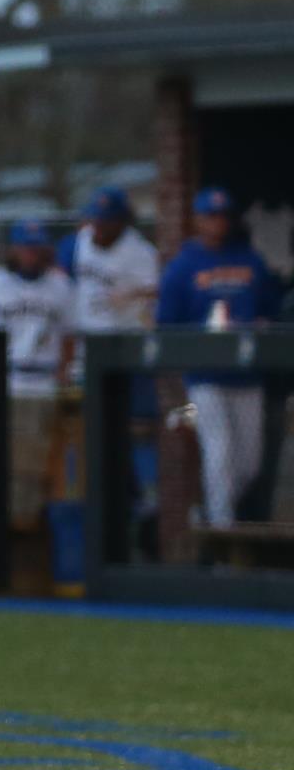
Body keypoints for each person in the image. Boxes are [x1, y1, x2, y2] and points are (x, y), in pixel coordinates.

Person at [157, 187, 281, 528]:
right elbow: (165, 323)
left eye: (223, 216)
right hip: (204, 376)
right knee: (219, 454)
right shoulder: (183, 265)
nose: (218, 223)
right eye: (210, 216)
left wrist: (260, 324)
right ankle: (223, 537)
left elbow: (272, 312)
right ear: (197, 220)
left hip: (247, 374)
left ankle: (212, 515)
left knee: (250, 464)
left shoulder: (249, 259)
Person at [0, 220, 75, 529]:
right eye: (26, 248)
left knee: (37, 461)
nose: (31, 254)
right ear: (13, 249)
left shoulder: (60, 286)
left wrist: (63, 376)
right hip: (5, 381)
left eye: (37, 248)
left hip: (43, 381)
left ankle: (26, 523)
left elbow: (69, 336)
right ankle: (3, 521)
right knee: (4, 458)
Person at [66, 186, 159, 335]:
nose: (98, 225)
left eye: (105, 221)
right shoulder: (83, 237)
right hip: (85, 331)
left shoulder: (141, 251)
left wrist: (133, 294)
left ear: (121, 221)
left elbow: (158, 290)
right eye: (96, 219)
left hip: (122, 334)